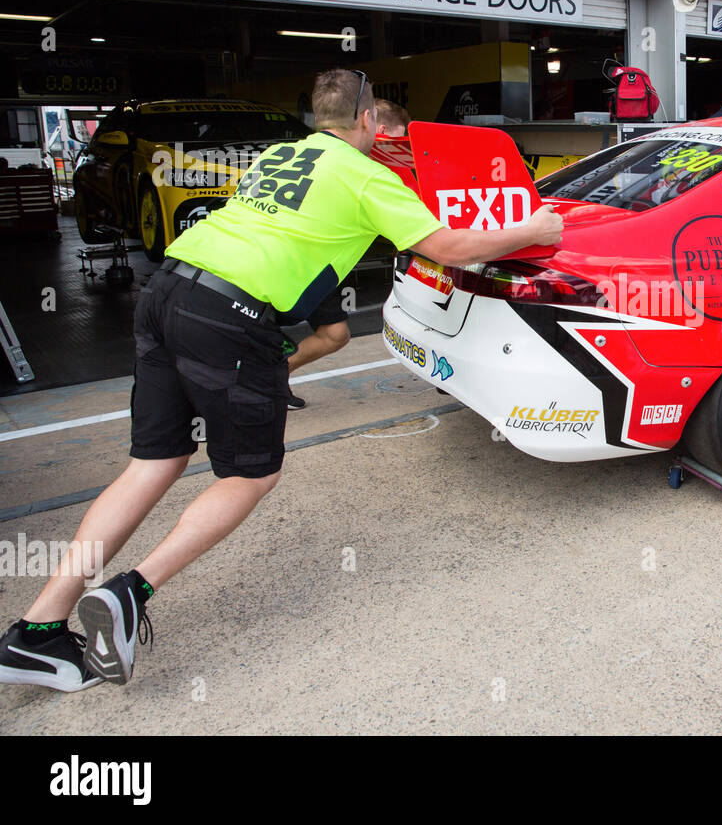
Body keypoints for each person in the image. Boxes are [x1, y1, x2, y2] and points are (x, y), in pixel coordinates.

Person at [0, 68, 562, 691]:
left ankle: (38, 629)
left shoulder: (280, 155)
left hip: (168, 288)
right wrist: (537, 229)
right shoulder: (368, 176)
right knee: (251, 474)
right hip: (232, 315)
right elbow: (450, 247)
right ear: (371, 121)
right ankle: (131, 592)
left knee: (152, 463)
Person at [283, 97, 412, 410]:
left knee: (335, 333)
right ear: (379, 129)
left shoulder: (311, 150)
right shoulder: (362, 170)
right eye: (400, 137)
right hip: (282, 260)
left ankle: (273, 374)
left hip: (313, 264)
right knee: (241, 337)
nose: (403, 147)